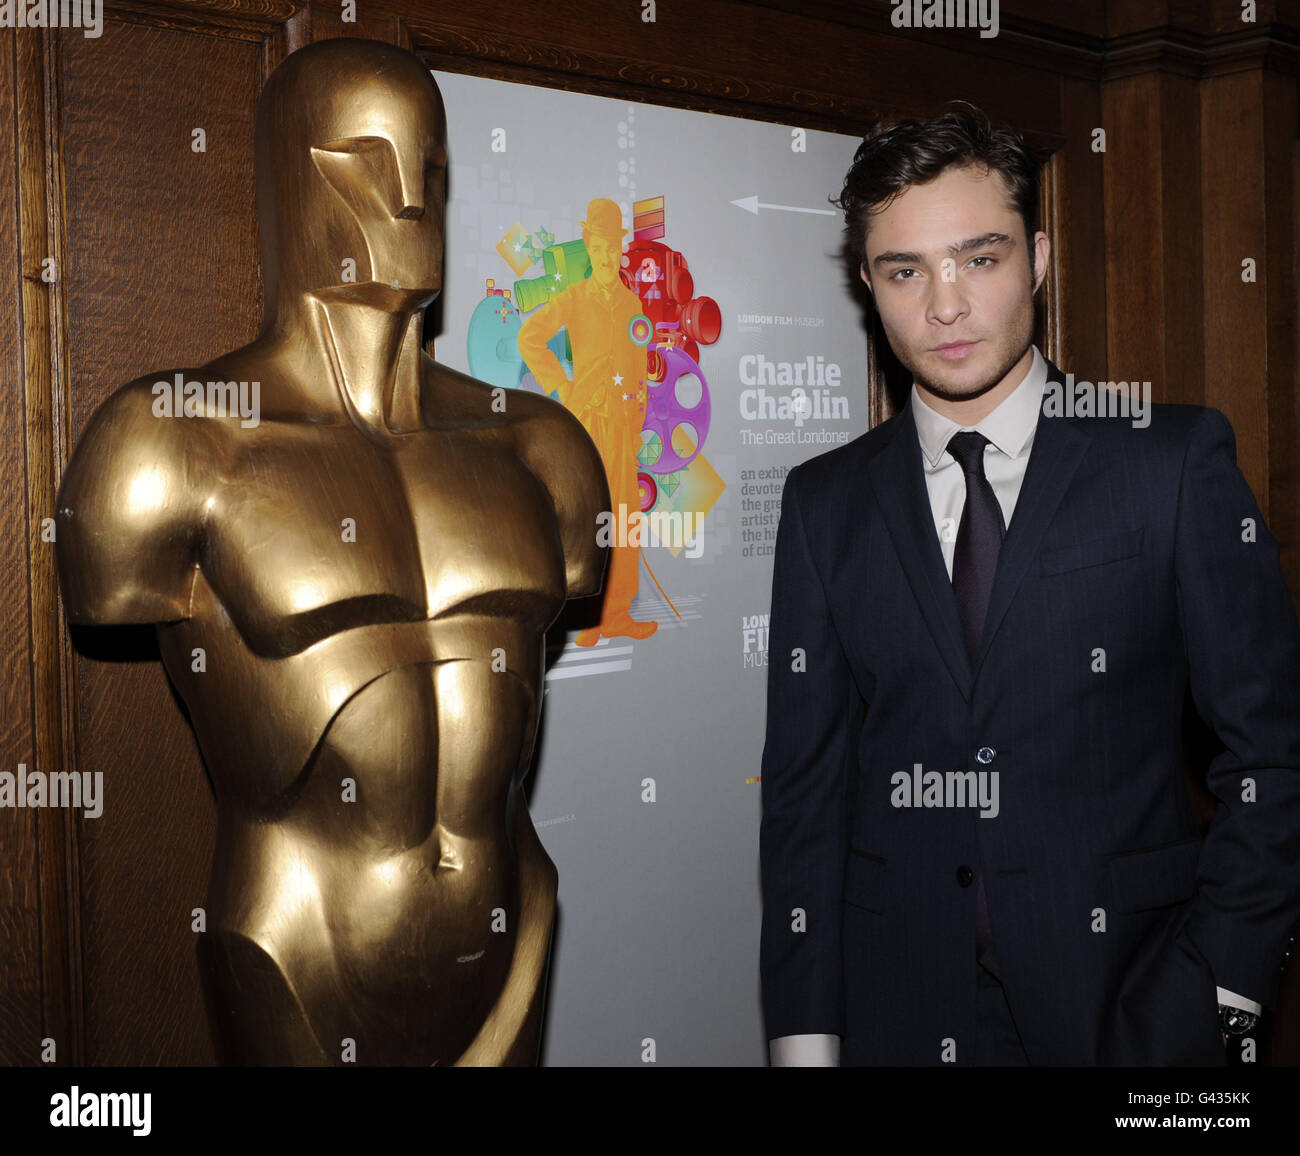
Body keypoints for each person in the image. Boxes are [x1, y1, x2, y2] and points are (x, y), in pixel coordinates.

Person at [759, 103, 1300, 1066]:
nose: (946, 305)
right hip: (899, 1018)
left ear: (1039, 259)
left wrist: (1225, 991)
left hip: (1141, 1013)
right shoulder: (823, 504)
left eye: (981, 257)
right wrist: (805, 1041)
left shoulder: (1168, 464)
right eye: (906, 270)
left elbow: (1272, 757)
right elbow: (806, 801)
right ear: (868, 286)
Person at [518, 197, 658, 645]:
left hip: (622, 430)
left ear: (620, 249)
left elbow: (639, 370)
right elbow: (530, 337)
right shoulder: (574, 300)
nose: (604, 255)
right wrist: (561, 387)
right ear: (588, 244)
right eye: (597, 247)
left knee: (626, 519)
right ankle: (588, 619)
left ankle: (617, 615)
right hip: (588, 427)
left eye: (611, 247)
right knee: (590, 519)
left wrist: (638, 425)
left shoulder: (634, 304)